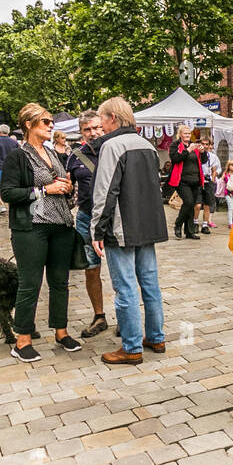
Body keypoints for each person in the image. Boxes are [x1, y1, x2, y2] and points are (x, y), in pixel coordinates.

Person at [0, 103, 82, 363]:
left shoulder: (51, 152)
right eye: (45, 121)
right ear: (29, 124)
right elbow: (8, 193)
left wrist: (66, 187)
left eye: (50, 122)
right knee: (30, 283)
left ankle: (61, 332)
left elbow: (59, 186)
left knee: (60, 282)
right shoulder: (18, 155)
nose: (51, 125)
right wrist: (45, 190)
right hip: (31, 227)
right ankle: (22, 339)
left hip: (61, 225)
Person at [91, 96, 167, 366]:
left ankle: (132, 346)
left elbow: (105, 191)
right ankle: (156, 337)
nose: (99, 124)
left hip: (122, 226)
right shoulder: (146, 144)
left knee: (125, 289)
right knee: (150, 283)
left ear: (112, 117)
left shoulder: (112, 146)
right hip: (147, 224)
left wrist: (97, 230)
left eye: (101, 118)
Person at [66, 109, 108, 338]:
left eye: (96, 127)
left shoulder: (114, 150)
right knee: (91, 269)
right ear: (81, 132)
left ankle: (126, 317)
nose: (93, 133)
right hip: (85, 217)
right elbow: (68, 185)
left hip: (113, 219)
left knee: (123, 270)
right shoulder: (76, 155)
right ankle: (99, 316)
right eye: (87, 129)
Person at [168, 125, 204, 240]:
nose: (188, 135)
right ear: (180, 134)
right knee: (188, 202)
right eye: (185, 133)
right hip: (182, 180)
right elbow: (175, 159)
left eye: (189, 133)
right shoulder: (175, 145)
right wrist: (187, 150)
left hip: (195, 180)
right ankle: (178, 224)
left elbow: (201, 162)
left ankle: (189, 231)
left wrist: (202, 152)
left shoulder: (193, 145)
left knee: (192, 205)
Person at [196, 140, 222, 234]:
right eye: (203, 144)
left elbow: (218, 168)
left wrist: (214, 175)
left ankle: (205, 225)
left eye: (207, 144)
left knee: (207, 205)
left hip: (208, 181)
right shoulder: (196, 154)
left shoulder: (213, 157)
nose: (205, 146)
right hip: (198, 181)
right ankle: (195, 222)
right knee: (198, 204)